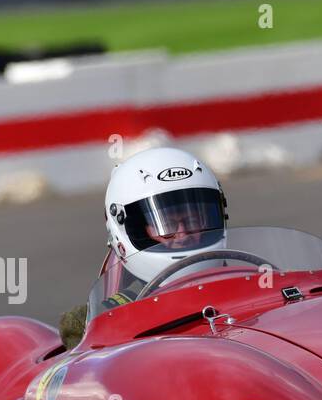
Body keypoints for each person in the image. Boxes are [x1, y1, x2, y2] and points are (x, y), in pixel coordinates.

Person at [58, 145, 229, 349]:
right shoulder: (106, 321)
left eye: (193, 220)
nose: (182, 235)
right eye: (168, 224)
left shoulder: (244, 281)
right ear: (132, 227)